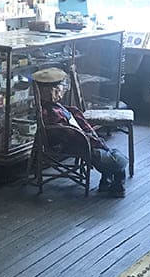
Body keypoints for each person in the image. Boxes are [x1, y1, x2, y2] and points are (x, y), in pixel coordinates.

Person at [33, 67, 127, 197]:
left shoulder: (57, 108)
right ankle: (115, 186)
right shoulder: (49, 112)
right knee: (111, 159)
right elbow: (65, 134)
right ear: (51, 92)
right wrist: (89, 139)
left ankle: (108, 183)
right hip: (75, 143)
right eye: (58, 89)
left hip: (82, 139)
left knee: (111, 154)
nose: (61, 92)